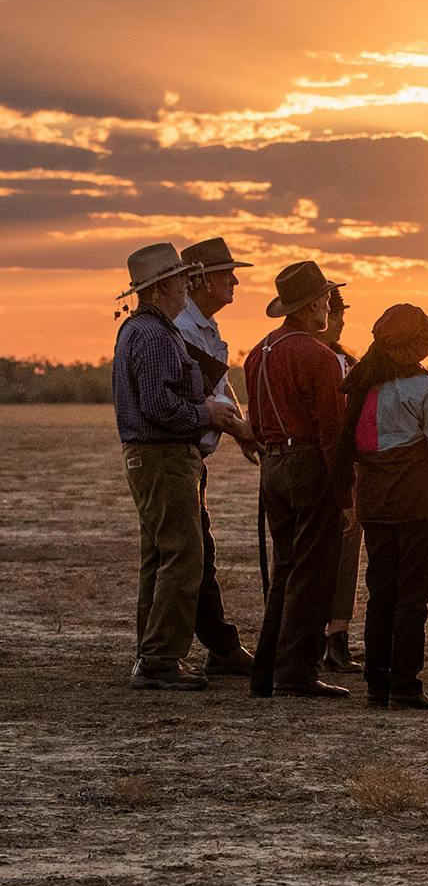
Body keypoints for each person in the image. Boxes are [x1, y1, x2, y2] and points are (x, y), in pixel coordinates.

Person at [115, 243, 243, 689]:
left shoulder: (148, 330)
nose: (188, 285)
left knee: (160, 555)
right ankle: (159, 661)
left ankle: (152, 654)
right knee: (184, 556)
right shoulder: (152, 336)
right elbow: (158, 406)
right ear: (163, 287)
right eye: (181, 279)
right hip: (163, 455)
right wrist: (205, 415)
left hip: (154, 456)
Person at [337, 304, 428, 710]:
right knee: (413, 597)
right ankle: (406, 683)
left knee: (381, 592)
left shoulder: (363, 387)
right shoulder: (425, 390)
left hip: (376, 503)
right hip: (419, 502)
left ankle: (377, 684)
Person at [243, 260, 352, 701]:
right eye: (325, 298)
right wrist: (346, 496)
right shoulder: (320, 357)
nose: (329, 304)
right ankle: (297, 672)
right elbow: (332, 433)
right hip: (309, 464)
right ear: (310, 308)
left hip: (273, 465)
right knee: (313, 572)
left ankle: (266, 671)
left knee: (286, 566)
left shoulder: (257, 354)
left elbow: (253, 420)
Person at [174, 236, 260, 679]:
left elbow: (219, 386)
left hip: (195, 454)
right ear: (201, 280)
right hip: (178, 451)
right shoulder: (184, 329)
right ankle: (209, 647)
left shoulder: (203, 326)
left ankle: (217, 644)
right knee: (189, 552)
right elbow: (205, 395)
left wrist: (240, 428)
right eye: (227, 274)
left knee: (197, 549)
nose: (236, 281)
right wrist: (241, 429)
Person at [319, 287, 364, 674]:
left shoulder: (347, 360)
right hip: (331, 464)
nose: (340, 322)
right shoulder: (333, 361)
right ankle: (332, 637)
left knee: (343, 552)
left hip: (335, 463)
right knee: (337, 550)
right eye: (335, 315)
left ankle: (334, 635)